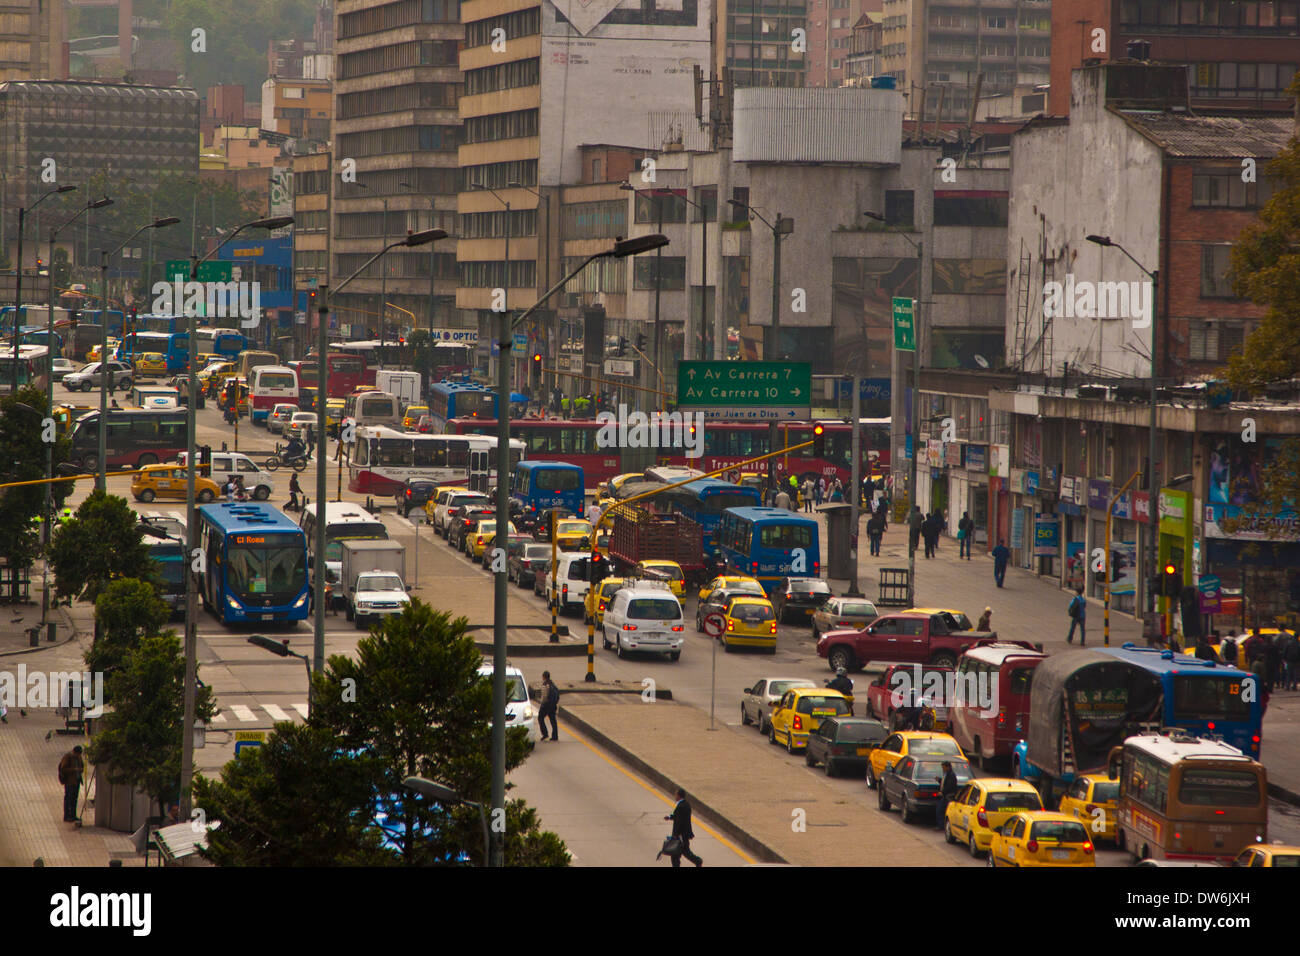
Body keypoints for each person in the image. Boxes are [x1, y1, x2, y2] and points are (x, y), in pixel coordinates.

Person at [664, 789, 703, 867]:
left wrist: (677, 835)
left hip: (681, 835)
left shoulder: (681, 806)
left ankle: (698, 861)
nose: (675, 796)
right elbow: (678, 816)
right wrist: (669, 817)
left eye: (676, 794)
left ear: (679, 796)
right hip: (683, 834)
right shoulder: (685, 804)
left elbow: (680, 821)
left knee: (677, 853)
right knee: (683, 852)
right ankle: (697, 861)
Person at [58, 746, 84, 822]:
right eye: (77, 754)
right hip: (70, 781)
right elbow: (63, 768)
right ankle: (67, 816)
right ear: (74, 752)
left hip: (77, 781)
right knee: (68, 799)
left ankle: (73, 815)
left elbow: (82, 765)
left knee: (74, 799)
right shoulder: (67, 757)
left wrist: (81, 769)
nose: (78, 756)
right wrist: (74, 769)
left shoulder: (79, 757)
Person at [937, 760, 960, 829]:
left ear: (948, 767)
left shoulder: (951, 775)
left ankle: (942, 826)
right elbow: (945, 783)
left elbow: (949, 786)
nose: (943, 769)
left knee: (940, 810)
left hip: (948, 796)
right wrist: (939, 780)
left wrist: (942, 792)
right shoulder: (946, 774)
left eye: (944, 767)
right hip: (945, 796)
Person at [537, 670, 560, 741]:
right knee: (553, 721)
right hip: (552, 705)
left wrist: (542, 705)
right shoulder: (552, 684)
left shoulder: (545, 685)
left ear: (544, 677)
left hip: (546, 705)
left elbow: (544, 697)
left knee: (540, 718)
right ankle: (555, 736)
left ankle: (545, 733)